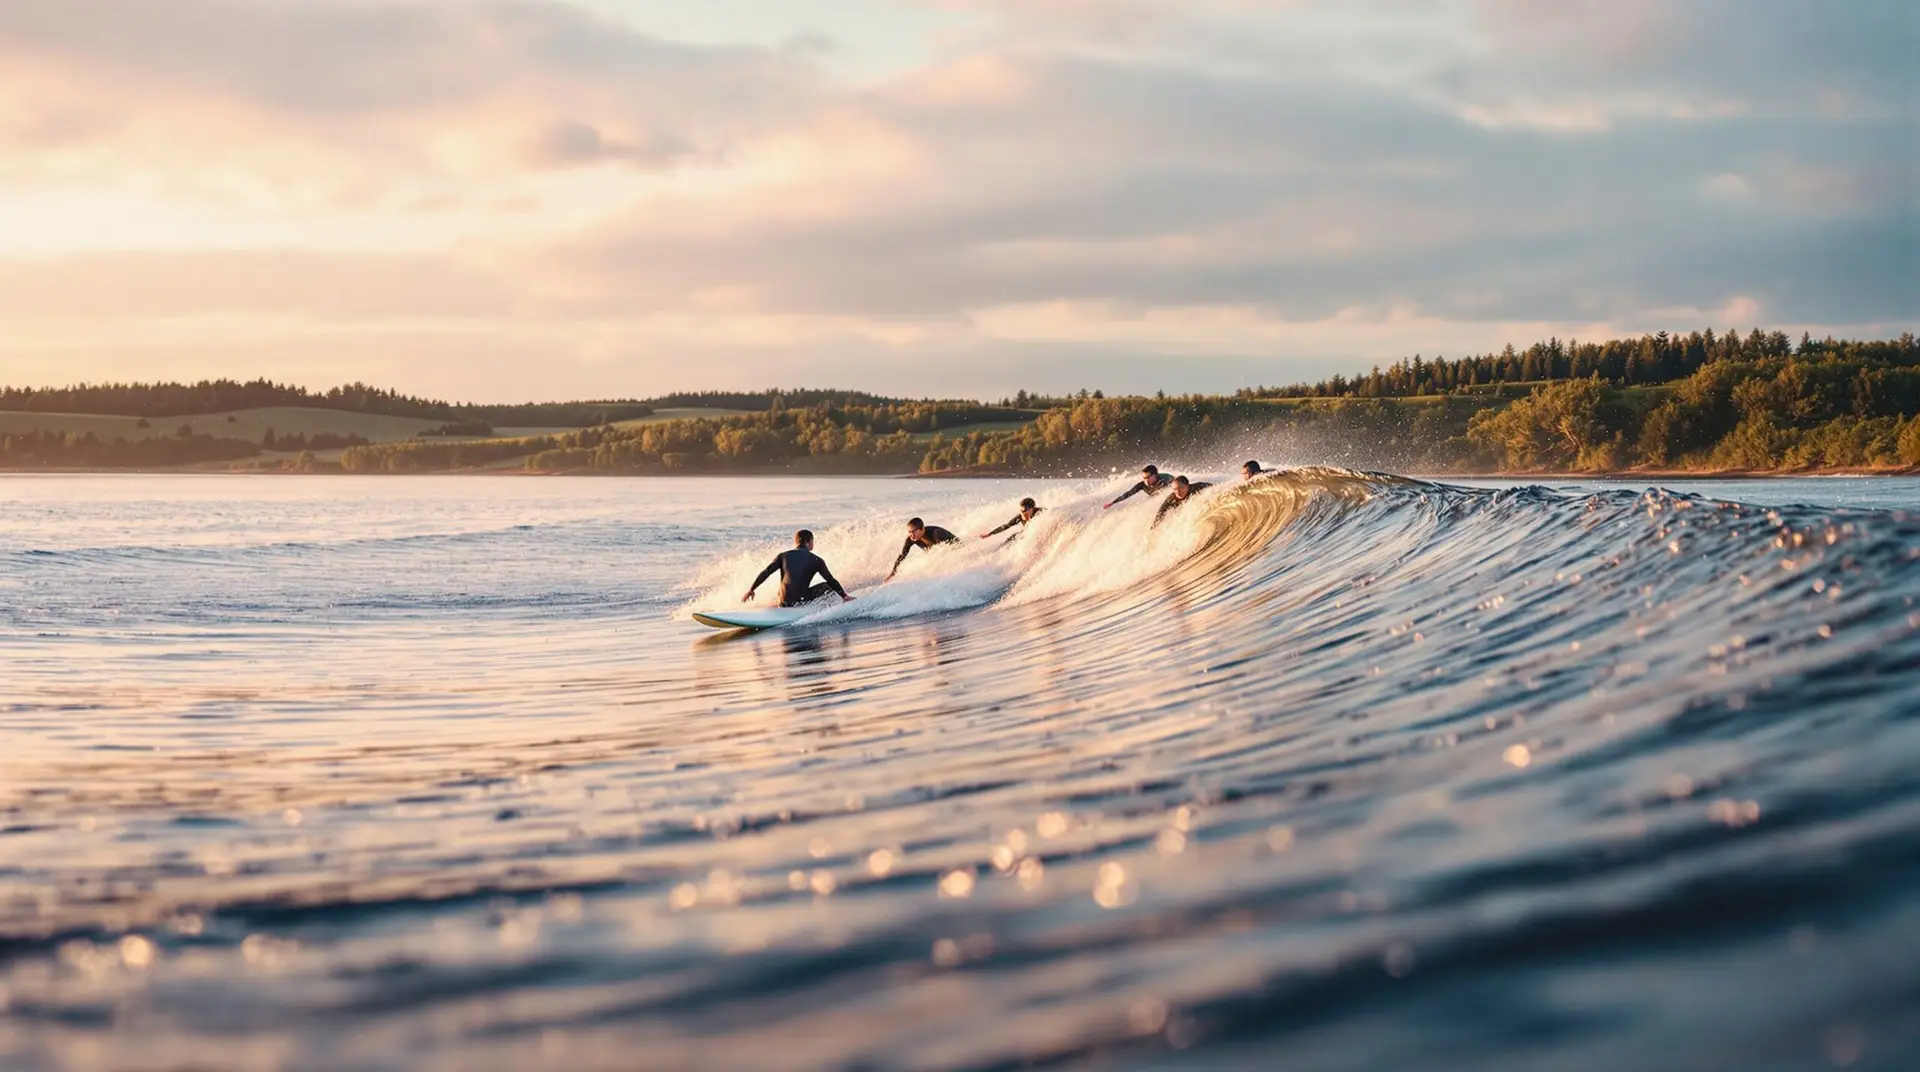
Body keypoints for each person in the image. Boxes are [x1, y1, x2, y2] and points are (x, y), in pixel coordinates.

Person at [744, 529, 853, 607]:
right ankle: (824, 607)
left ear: (796, 542)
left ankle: (781, 604)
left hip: (783, 602)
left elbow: (766, 573)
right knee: (826, 585)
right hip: (800, 601)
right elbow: (831, 580)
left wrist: (752, 589)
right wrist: (844, 595)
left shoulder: (783, 556)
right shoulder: (816, 560)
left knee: (783, 587)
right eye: (812, 541)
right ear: (809, 542)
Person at [888, 517, 959, 579]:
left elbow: (946, 553)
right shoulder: (911, 538)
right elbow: (902, 555)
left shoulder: (936, 534)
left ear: (922, 529)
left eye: (913, 531)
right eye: (909, 532)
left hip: (958, 549)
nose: (911, 535)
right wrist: (892, 574)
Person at [1104, 465, 1174, 509]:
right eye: (1144, 478)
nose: (1146, 480)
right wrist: (1112, 503)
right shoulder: (1142, 485)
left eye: (1148, 477)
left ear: (1155, 475)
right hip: (1155, 496)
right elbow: (1128, 494)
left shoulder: (1165, 479)